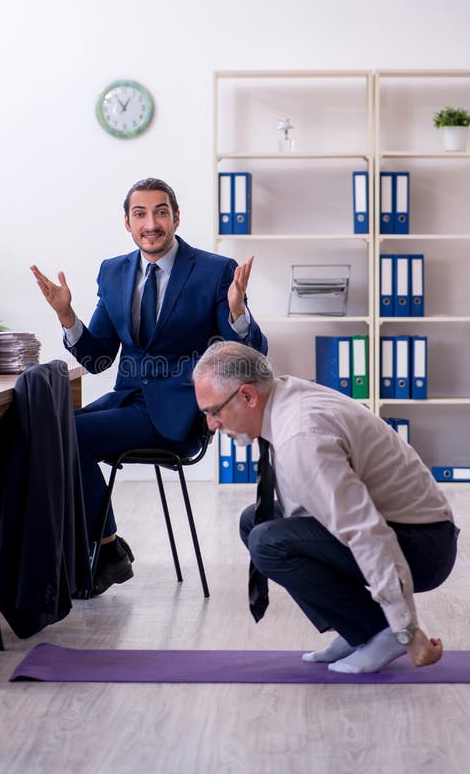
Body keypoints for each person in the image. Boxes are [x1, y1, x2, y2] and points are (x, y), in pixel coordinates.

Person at [31, 178, 268, 596]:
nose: (151, 224)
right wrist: (67, 317)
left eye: (161, 212)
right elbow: (99, 358)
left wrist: (236, 312)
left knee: (65, 434)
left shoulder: (214, 271)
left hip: (178, 414)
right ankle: (101, 548)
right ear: (127, 222)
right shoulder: (114, 272)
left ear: (176, 217)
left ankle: (104, 553)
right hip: (128, 400)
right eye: (140, 214)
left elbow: (252, 356)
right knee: (48, 430)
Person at [193, 340, 459, 674]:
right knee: (255, 521)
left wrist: (406, 629)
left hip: (422, 547)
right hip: (404, 528)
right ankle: (360, 629)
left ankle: (385, 633)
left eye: (214, 411)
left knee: (268, 542)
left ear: (247, 396)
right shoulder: (283, 397)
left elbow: (365, 531)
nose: (211, 425)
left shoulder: (302, 437)